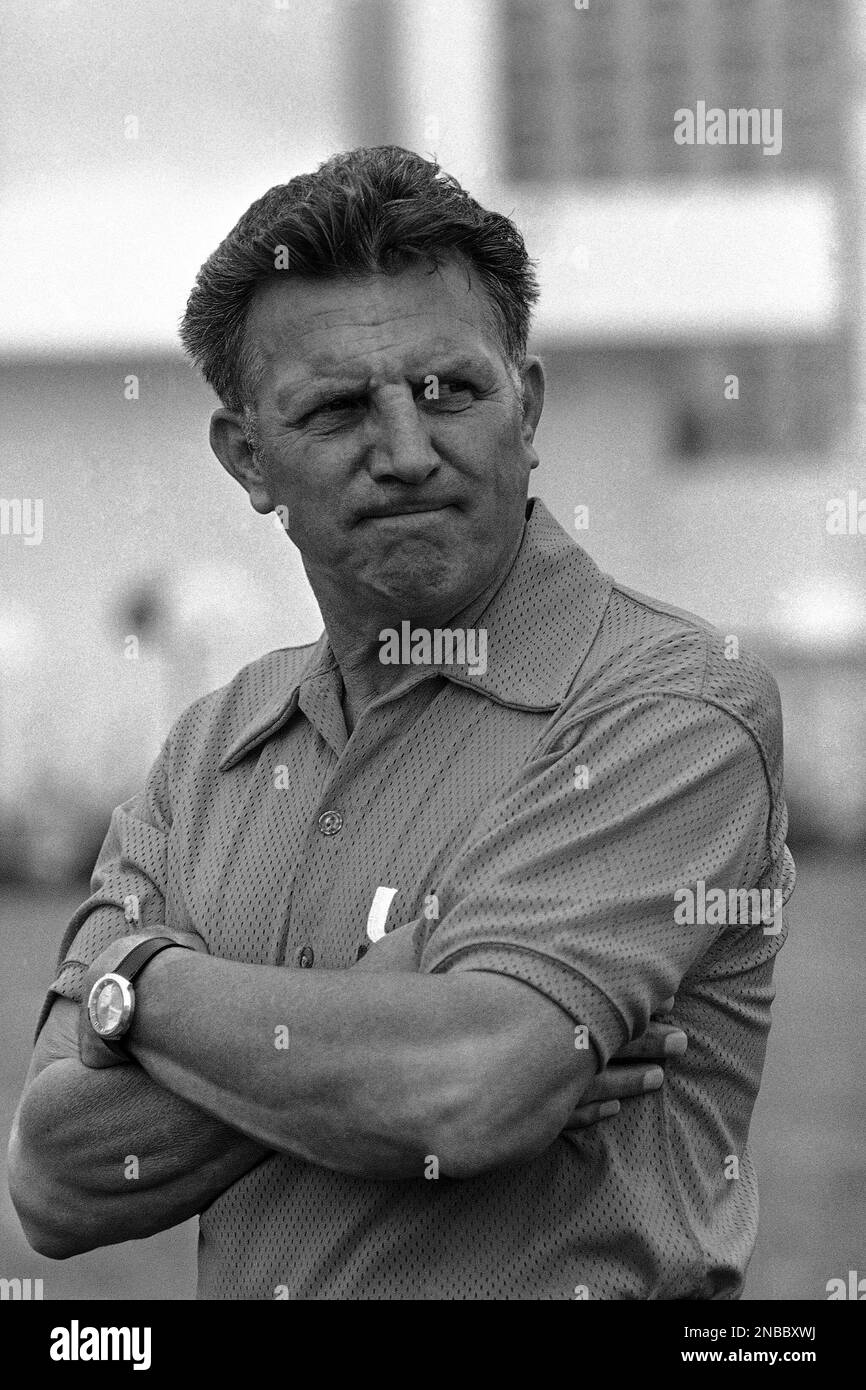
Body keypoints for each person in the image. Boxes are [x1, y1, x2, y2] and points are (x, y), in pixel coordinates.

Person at [8, 147, 795, 1300]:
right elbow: (55, 1180)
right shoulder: (207, 751)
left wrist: (144, 983)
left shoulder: (668, 702)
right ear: (247, 460)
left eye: (448, 391)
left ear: (524, 407)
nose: (407, 452)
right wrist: (392, 1004)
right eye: (336, 410)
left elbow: (463, 1091)